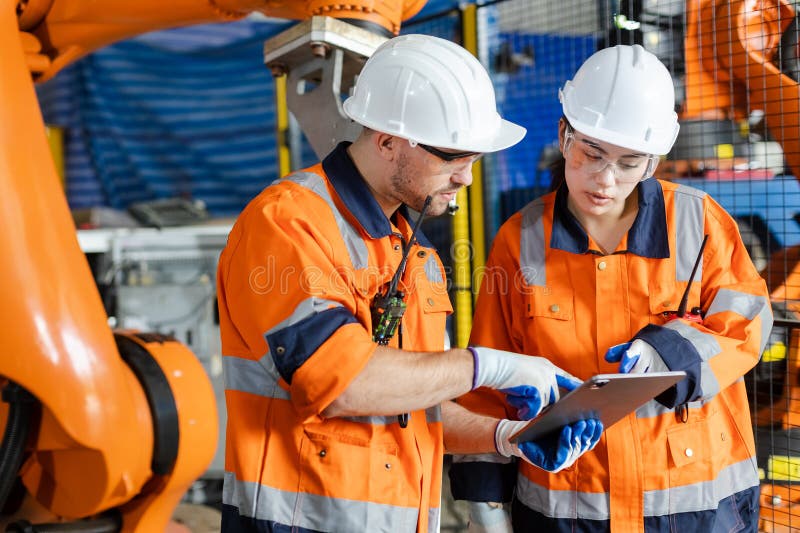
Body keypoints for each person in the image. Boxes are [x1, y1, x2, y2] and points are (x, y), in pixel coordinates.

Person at [216, 34, 602, 533]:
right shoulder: (288, 223)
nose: (465, 177)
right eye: (453, 158)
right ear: (387, 142)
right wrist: (490, 366)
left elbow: (416, 404)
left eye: (474, 159)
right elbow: (343, 385)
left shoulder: (414, 253)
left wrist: (507, 435)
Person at [451, 44, 773, 532]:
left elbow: (747, 322)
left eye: (629, 163)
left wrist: (672, 351)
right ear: (564, 136)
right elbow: (490, 382)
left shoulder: (698, 221)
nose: (605, 179)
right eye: (592, 153)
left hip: (697, 505)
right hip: (567, 511)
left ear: (652, 163)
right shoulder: (519, 241)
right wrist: (484, 503)